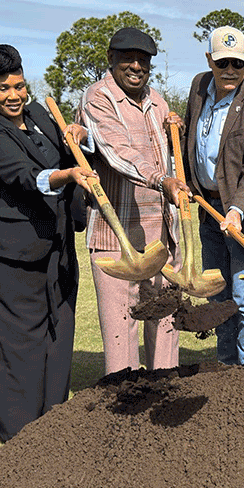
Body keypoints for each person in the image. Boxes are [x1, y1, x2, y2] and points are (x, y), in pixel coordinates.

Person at [0, 44, 96, 442]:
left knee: (59, 327)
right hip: (11, 253)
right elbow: (26, 176)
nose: (14, 95)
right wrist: (66, 174)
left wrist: (79, 135)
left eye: (19, 86)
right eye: (2, 88)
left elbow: (72, 148)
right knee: (18, 341)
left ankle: (52, 417)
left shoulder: (40, 115)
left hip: (55, 245)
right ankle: (19, 429)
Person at [79, 27, 187, 375]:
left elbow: (165, 159)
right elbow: (117, 154)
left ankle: (166, 392)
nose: (136, 65)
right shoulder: (97, 99)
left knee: (166, 322)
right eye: (127, 58)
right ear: (111, 59)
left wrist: (175, 138)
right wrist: (162, 180)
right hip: (116, 237)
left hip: (162, 236)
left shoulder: (158, 102)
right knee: (120, 329)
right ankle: (124, 409)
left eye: (143, 59)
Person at [181, 26, 244, 365]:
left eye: (237, 64)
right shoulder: (198, 86)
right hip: (208, 209)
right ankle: (226, 368)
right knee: (218, 297)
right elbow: (191, 137)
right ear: (209, 59)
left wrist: (237, 209)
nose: (229, 71)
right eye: (223, 63)